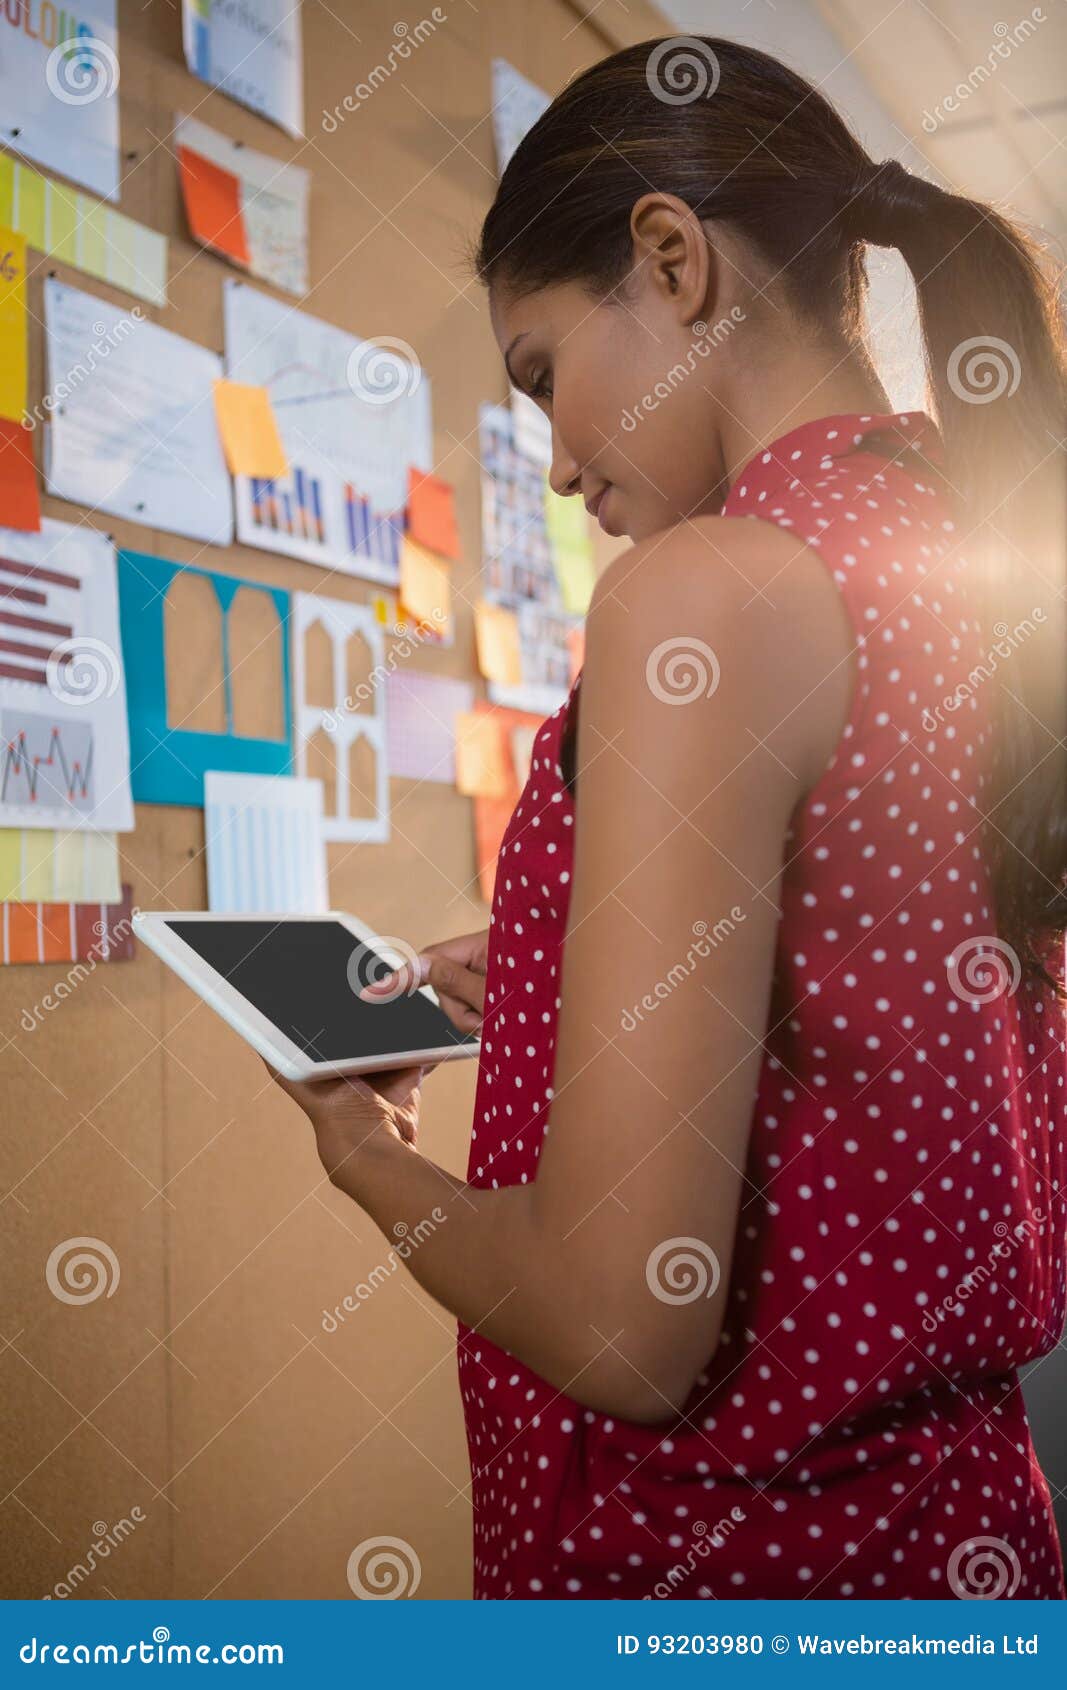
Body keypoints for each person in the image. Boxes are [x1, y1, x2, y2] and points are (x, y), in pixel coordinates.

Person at [270, 37, 1067, 1599]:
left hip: (728, 1567)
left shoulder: (708, 596)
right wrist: (584, 979)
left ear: (670, 258)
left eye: (544, 375)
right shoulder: (955, 551)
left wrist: (364, 1155)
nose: (560, 460)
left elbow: (626, 1328)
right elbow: (888, 973)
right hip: (944, 1545)